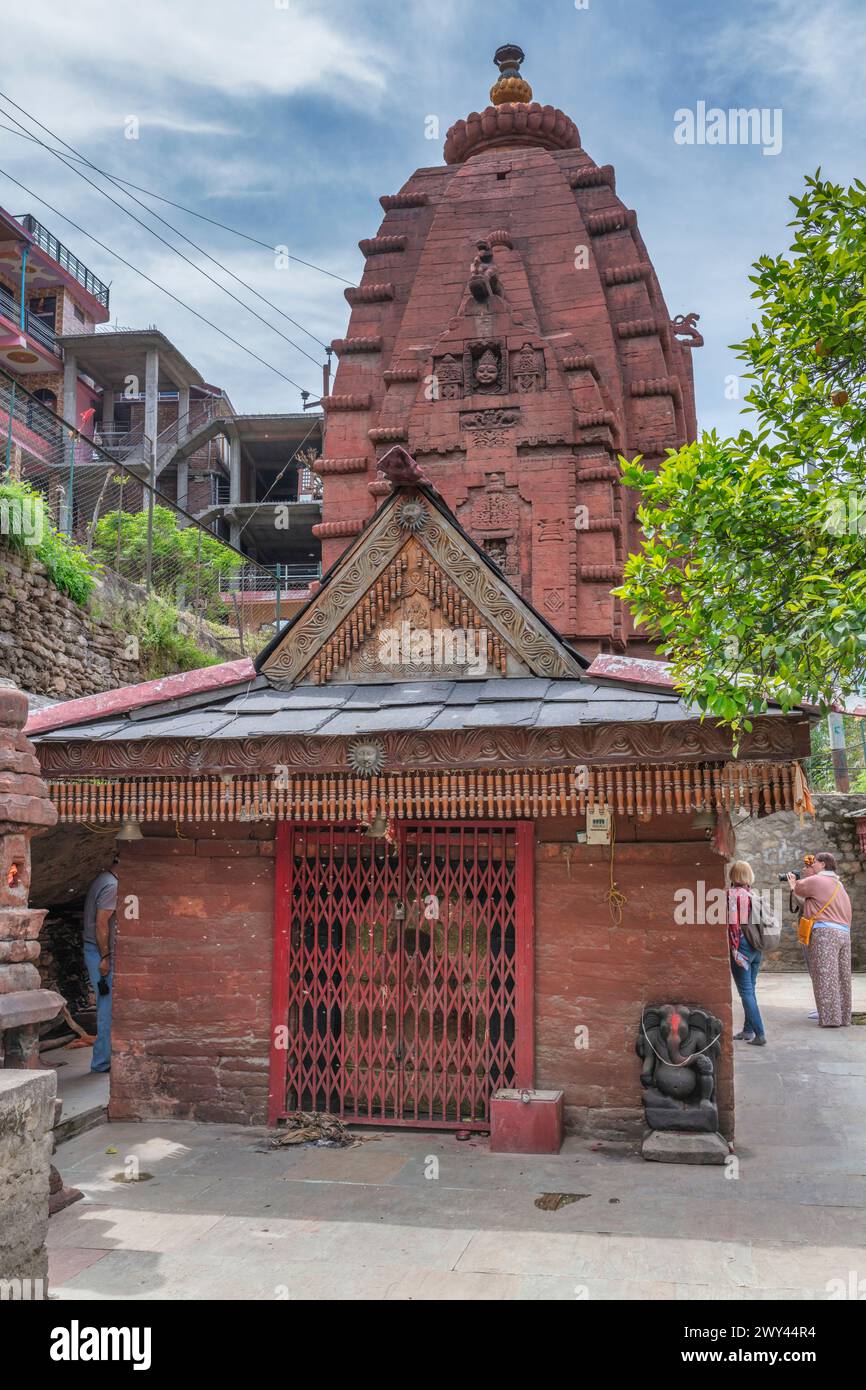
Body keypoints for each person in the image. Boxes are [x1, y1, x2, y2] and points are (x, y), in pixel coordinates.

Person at [789, 852, 852, 1028]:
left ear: (823, 864)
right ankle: (844, 1016)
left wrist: (793, 883)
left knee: (825, 974)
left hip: (824, 933)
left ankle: (831, 1019)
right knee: (842, 977)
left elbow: (799, 888)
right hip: (844, 933)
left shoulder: (817, 880)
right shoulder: (838, 884)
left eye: (815, 862)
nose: (813, 865)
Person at [82, 861, 118, 1073]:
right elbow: (102, 923)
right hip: (99, 952)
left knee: (107, 1006)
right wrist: (105, 957)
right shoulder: (112, 885)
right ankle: (102, 1062)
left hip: (93, 949)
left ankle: (104, 1059)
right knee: (108, 1008)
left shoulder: (103, 878)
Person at [727, 860, 767, 1045]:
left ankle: (760, 1034)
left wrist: (734, 950)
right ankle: (748, 1030)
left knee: (746, 992)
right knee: (750, 989)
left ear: (733, 875)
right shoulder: (753, 894)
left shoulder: (733, 895)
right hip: (756, 947)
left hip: (742, 946)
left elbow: (734, 925)